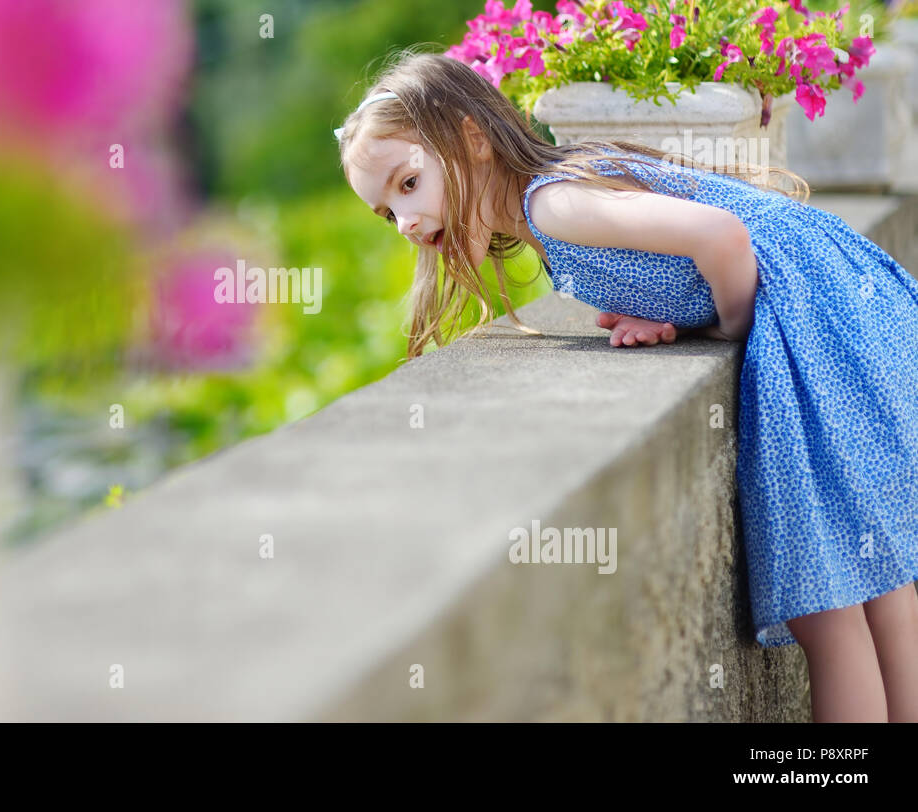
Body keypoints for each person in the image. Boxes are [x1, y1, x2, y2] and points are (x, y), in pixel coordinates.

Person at [336, 48, 918, 722]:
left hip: (809, 314)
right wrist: (675, 312)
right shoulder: (559, 196)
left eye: (408, 185)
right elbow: (690, 248)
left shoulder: (553, 206)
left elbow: (722, 235)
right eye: (387, 213)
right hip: (844, 294)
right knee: (888, 585)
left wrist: (729, 328)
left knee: (828, 610)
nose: (405, 222)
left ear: (473, 139)